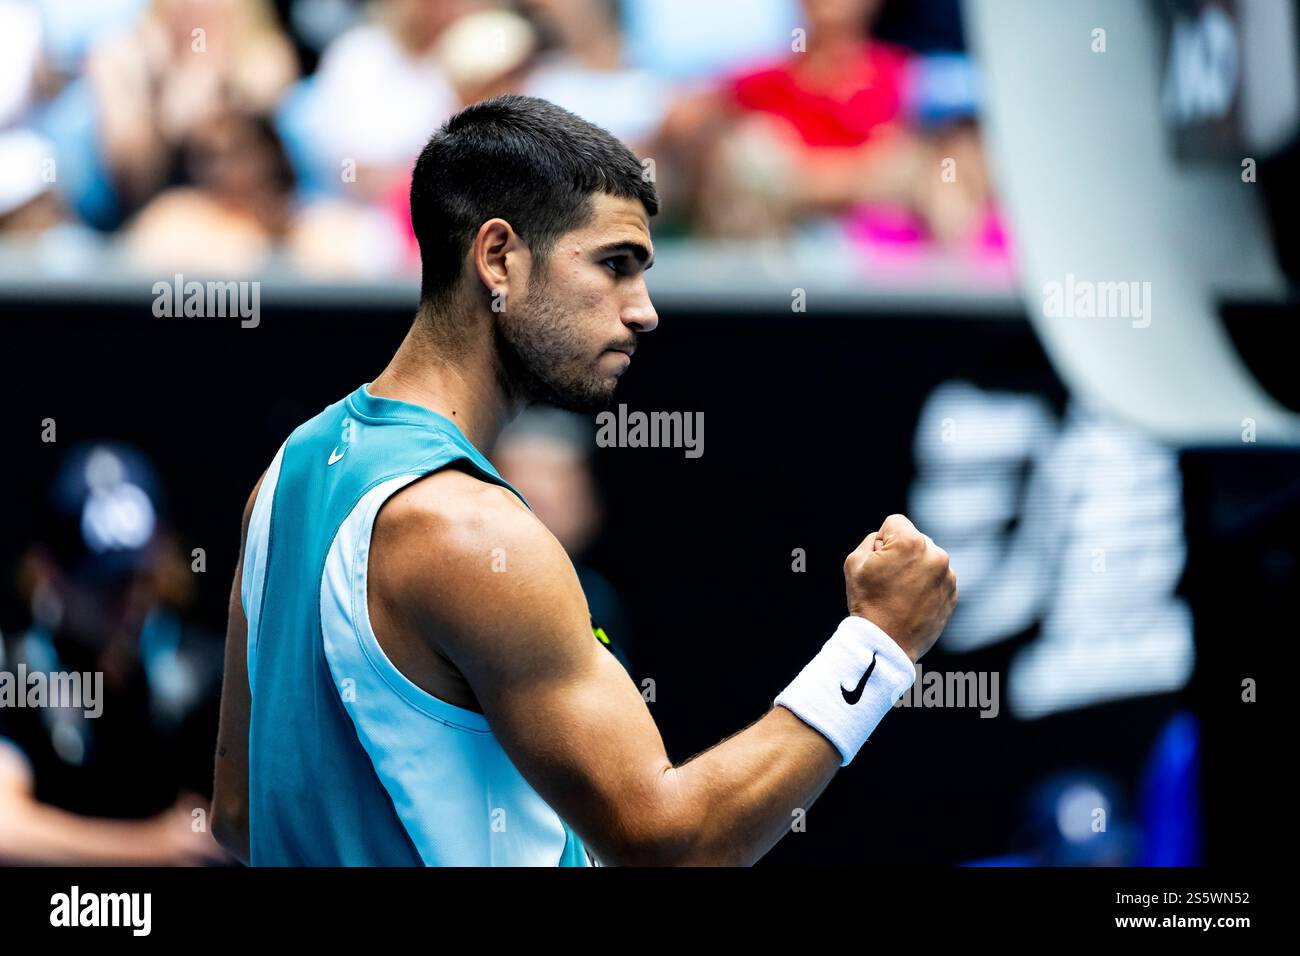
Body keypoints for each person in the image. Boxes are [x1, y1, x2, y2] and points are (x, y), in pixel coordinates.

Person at [211, 94, 956, 866]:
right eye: (613, 265)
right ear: (498, 258)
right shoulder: (470, 530)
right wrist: (877, 646)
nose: (644, 312)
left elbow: (238, 814)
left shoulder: (286, 473)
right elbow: (673, 846)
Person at [0, 443, 228, 865]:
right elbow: (5, 829)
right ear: (51, 571)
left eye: (139, 578)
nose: (129, 601)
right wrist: (152, 847)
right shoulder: (13, 674)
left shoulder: (207, 676)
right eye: (106, 583)